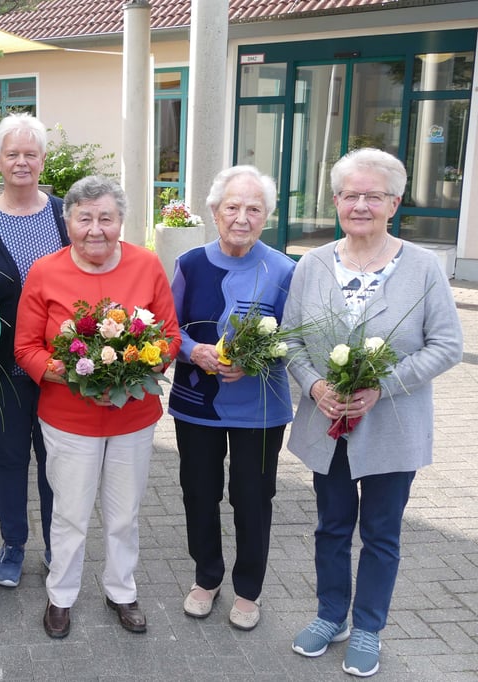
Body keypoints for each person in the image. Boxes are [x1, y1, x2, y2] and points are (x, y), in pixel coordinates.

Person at [283, 148, 462, 677]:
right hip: (327, 422)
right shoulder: (312, 264)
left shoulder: (424, 267)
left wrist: (382, 386)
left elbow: (447, 345)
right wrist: (315, 387)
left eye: (373, 196)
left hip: (391, 425)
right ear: (335, 201)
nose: (360, 204)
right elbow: (292, 342)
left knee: (381, 532)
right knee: (331, 527)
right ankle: (330, 615)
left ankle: (368, 627)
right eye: (350, 195)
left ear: (394, 203)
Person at [15, 175, 180, 639]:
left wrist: (131, 373)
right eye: (84, 218)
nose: (95, 229)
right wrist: (73, 374)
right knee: (70, 511)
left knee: (124, 511)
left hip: (132, 417)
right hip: (69, 419)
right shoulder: (45, 272)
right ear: (67, 222)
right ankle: (61, 595)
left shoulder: (147, 266)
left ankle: (121, 590)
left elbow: (169, 335)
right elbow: (26, 347)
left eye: (106, 218)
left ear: (121, 221)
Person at [167, 166, 295, 631]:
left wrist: (259, 361)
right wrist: (192, 349)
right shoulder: (190, 264)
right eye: (232, 207)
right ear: (214, 211)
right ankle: (206, 576)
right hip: (197, 404)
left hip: (260, 409)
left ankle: (248, 589)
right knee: (199, 492)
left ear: (267, 216)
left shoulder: (284, 269)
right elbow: (167, 326)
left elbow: (294, 339)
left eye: (254, 209)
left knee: (252, 496)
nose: (241, 218)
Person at [0, 113, 68, 588]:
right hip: (2, 367)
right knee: (7, 458)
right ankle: (12, 544)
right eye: (12, 154)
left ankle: (55, 543)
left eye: (30, 153)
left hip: (63, 367)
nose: (21, 162)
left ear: (43, 160)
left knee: (57, 460)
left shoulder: (67, 215)